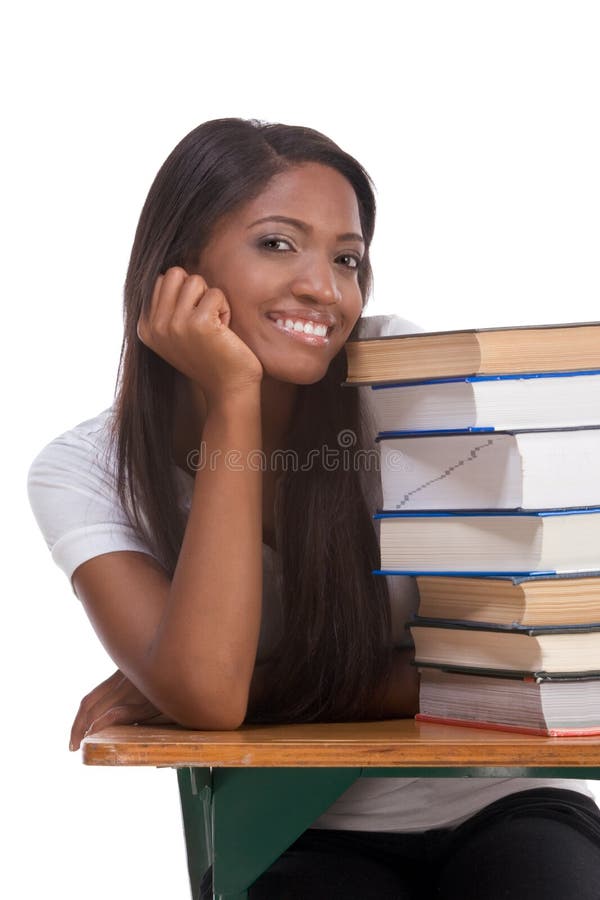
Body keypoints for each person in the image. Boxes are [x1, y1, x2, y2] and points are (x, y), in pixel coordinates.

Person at [27, 117, 600, 899]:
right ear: (177, 273)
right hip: (292, 829)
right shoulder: (84, 469)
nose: (325, 289)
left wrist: (249, 687)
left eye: (347, 258)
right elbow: (208, 695)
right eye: (276, 243)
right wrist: (235, 397)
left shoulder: (411, 392)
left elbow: (517, 672)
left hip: (504, 798)